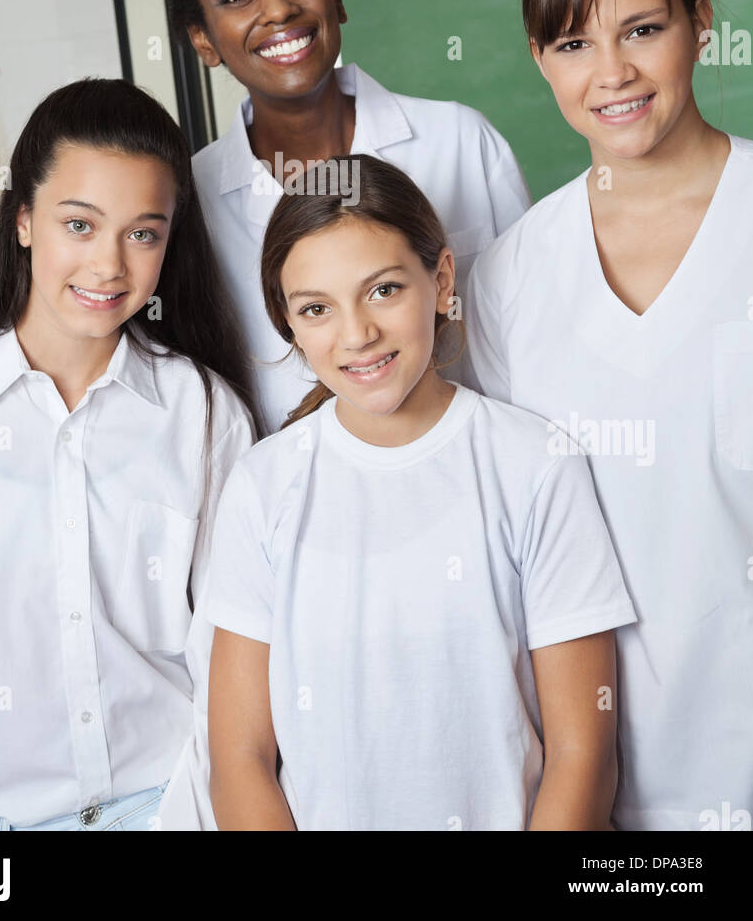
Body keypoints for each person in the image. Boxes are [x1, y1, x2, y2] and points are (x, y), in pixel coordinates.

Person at [0, 77, 256, 831]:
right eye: (80, 224)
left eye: (143, 233)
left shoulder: (203, 415)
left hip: (179, 808)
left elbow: (230, 659)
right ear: (24, 222)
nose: (109, 266)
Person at [204, 154, 636, 830]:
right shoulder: (263, 486)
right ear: (288, 323)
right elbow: (239, 759)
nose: (357, 334)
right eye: (317, 308)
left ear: (439, 281)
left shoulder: (534, 465)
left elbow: (583, 755)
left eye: (383, 291)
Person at [463, 0, 753, 831]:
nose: (614, 73)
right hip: (609, 783)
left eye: (643, 29)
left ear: (700, 23)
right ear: (539, 57)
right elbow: (519, 548)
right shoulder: (511, 275)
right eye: (574, 44)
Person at [151, 0, 531, 434]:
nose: (278, 9)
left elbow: (532, 336)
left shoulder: (459, 142)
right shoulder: (190, 200)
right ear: (202, 39)